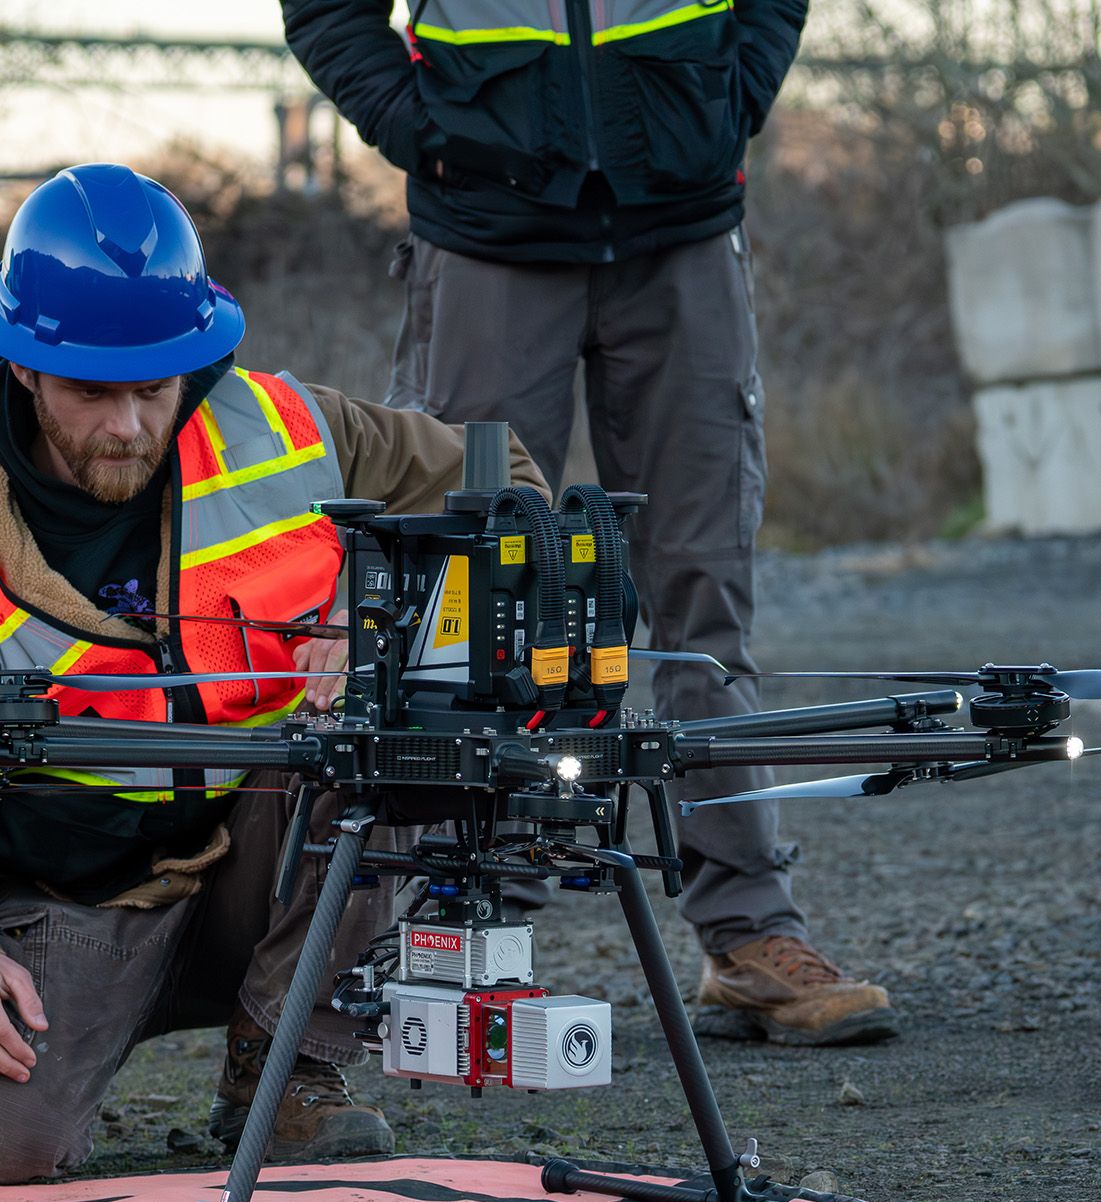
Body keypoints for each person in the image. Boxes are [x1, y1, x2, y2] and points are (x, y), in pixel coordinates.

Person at [0, 164, 549, 1183]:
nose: (129, 426)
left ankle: (282, 1075)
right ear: (21, 367)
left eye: (154, 387)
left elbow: (512, 496)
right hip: (74, 899)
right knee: (4, 1149)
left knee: (403, 741)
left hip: (267, 852)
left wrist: (393, 625)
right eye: (91, 392)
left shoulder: (297, 432)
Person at [281, 1, 896, 1047]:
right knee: (462, 592)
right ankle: (459, 929)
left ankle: (749, 930)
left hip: (683, 222)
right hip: (486, 230)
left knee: (704, 592)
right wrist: (423, 131)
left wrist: (726, 100)